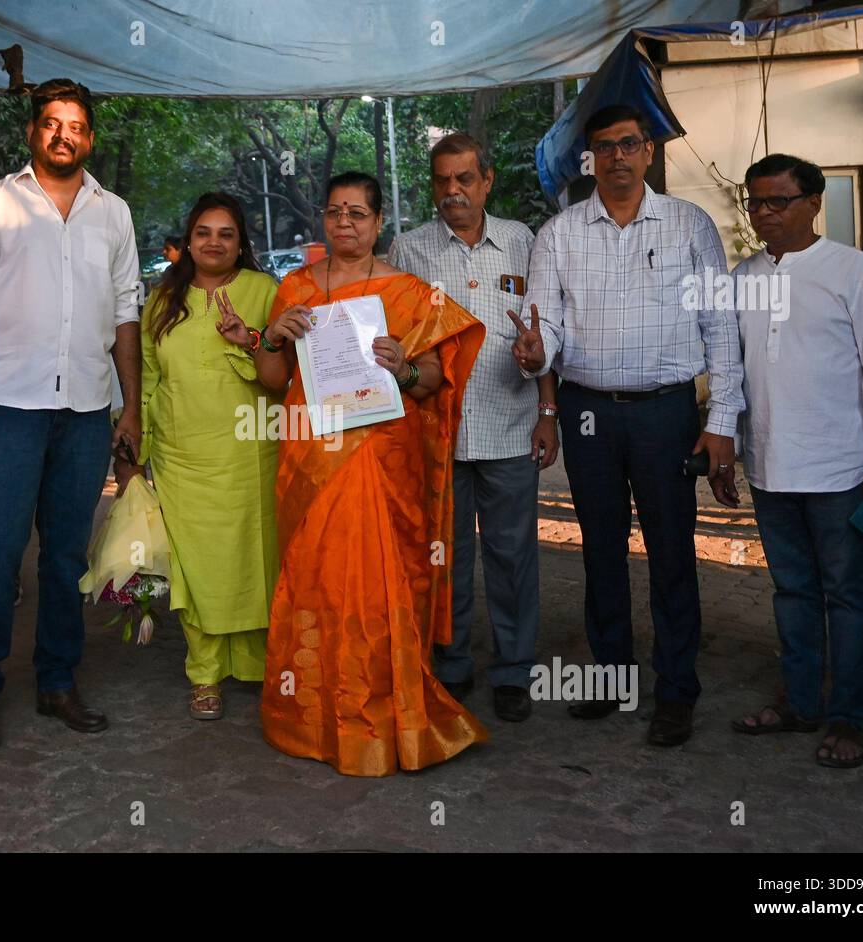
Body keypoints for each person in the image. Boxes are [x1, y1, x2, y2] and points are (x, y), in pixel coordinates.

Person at [514, 104, 744, 747]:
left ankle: (676, 692)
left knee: (672, 551)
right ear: (588, 158)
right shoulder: (558, 234)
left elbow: (720, 328)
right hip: (588, 410)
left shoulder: (688, 225)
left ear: (647, 152)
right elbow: (547, 323)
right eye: (604, 147)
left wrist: (721, 421)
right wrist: (538, 354)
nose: (616, 155)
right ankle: (612, 678)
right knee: (602, 550)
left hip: (667, 412)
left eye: (628, 144)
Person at [255, 171, 488, 776]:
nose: (345, 223)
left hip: (384, 460)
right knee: (317, 580)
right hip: (312, 460)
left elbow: (435, 379)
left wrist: (404, 370)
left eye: (358, 213)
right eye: (334, 212)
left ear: (380, 222)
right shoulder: (297, 288)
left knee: (383, 584)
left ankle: (389, 718)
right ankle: (313, 717)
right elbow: (274, 382)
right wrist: (273, 339)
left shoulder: (409, 293)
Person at [0, 78, 141, 753]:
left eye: (77, 125)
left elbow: (125, 315)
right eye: (52, 123)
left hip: (86, 412)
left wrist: (131, 410)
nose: (65, 134)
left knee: (64, 560)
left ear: (91, 137)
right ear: (33, 131)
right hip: (7, 411)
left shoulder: (113, 213)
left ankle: (58, 682)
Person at [728, 154, 863, 768]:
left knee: (849, 595)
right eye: (755, 202)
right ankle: (803, 703)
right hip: (770, 466)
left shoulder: (853, 272)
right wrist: (726, 442)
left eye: (778, 201)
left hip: (840, 469)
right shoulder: (743, 278)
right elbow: (732, 371)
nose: (764, 214)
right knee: (792, 592)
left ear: (814, 202)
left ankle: (848, 719)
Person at [387, 132, 556, 721]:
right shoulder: (408, 250)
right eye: (442, 180)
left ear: (487, 182)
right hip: (437, 435)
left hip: (509, 428)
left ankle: (513, 670)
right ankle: (451, 664)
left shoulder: (521, 241)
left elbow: (540, 329)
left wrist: (548, 408)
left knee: (512, 556)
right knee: (445, 558)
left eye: (465, 179)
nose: (453, 191)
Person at [120, 192, 279, 720]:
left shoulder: (265, 291)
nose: (214, 242)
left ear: (241, 244)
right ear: (187, 241)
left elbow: (287, 372)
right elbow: (148, 376)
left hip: (252, 451)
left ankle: (259, 667)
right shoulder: (162, 299)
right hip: (181, 455)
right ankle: (204, 675)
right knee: (196, 568)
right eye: (204, 232)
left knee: (254, 561)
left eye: (226, 234)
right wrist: (135, 446)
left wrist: (251, 337)